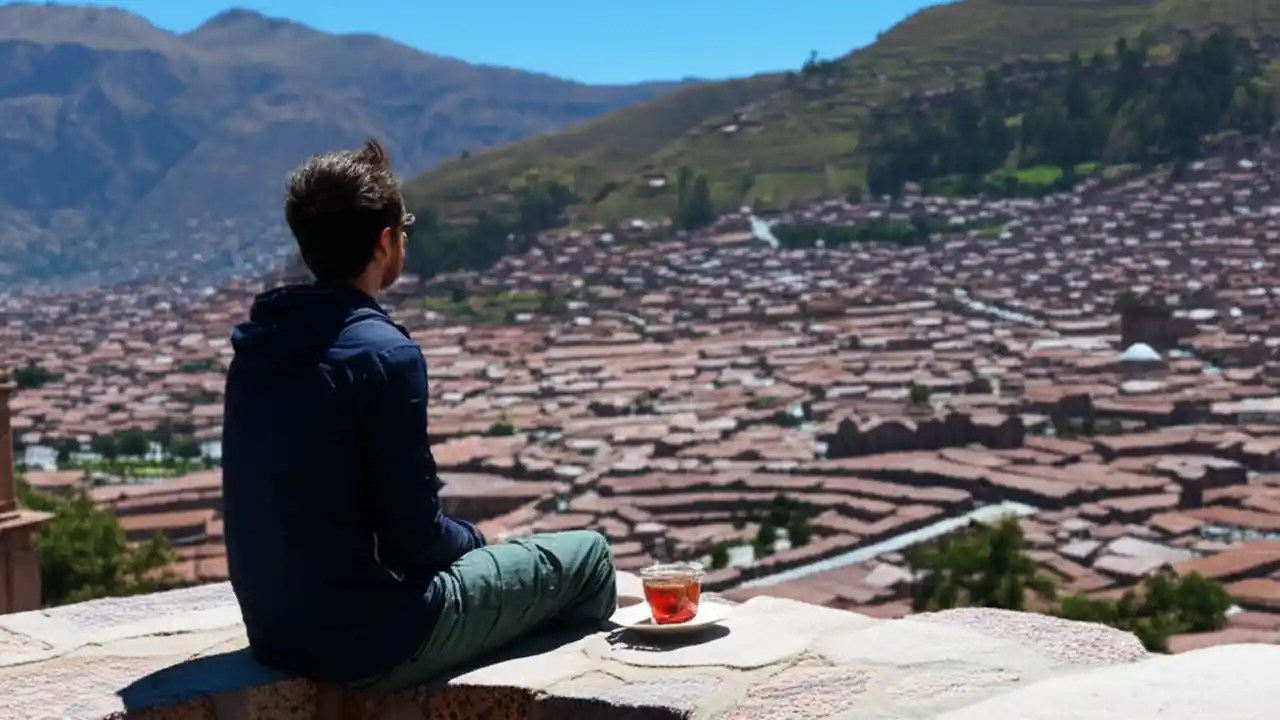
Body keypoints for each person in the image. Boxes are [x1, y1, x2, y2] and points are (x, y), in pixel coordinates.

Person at [221, 139, 617, 693]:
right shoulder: (384, 355)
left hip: (275, 633)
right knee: (589, 557)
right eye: (402, 228)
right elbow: (415, 540)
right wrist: (481, 546)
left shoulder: (260, 343)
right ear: (386, 241)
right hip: (367, 642)